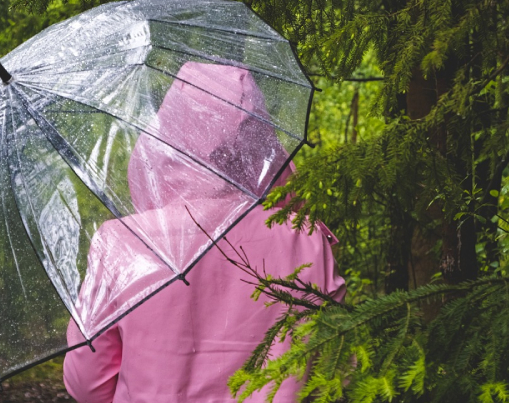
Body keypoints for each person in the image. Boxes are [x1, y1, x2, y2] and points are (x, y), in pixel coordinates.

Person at [62, 62, 345, 403]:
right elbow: (336, 363)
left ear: (169, 133)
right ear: (260, 136)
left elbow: (87, 385)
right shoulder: (306, 237)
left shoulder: (123, 244)